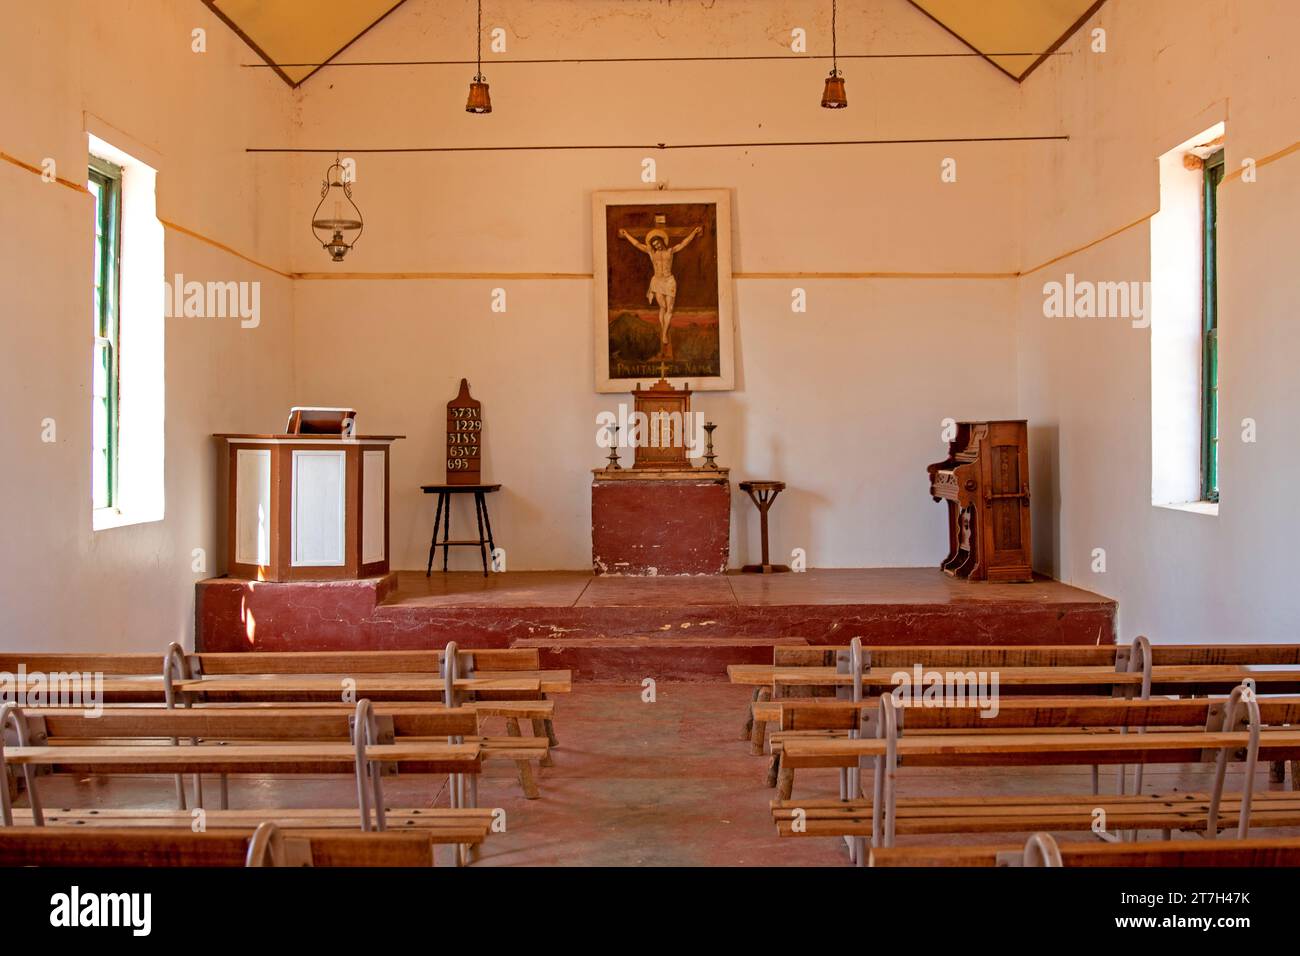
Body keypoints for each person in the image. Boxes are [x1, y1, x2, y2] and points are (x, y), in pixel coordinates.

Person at [618, 223, 703, 357]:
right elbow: (637, 245)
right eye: (655, 244)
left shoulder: (670, 251)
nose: (657, 246)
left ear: (662, 242)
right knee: (662, 307)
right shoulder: (652, 252)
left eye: (658, 243)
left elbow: (684, 243)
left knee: (670, 308)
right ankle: (664, 331)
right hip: (657, 281)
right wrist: (626, 234)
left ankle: (664, 333)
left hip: (669, 281)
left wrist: (693, 232)